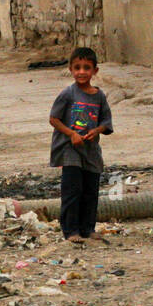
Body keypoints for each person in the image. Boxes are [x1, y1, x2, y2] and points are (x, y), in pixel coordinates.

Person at [49, 47, 114, 245]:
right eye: (77, 68)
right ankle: (70, 230)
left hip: (91, 151)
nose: (82, 72)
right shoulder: (68, 94)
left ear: (95, 70)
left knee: (90, 191)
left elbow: (106, 122)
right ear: (71, 69)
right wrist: (71, 134)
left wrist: (97, 131)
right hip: (70, 149)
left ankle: (88, 228)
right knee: (72, 189)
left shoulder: (99, 96)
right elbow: (54, 119)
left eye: (87, 68)